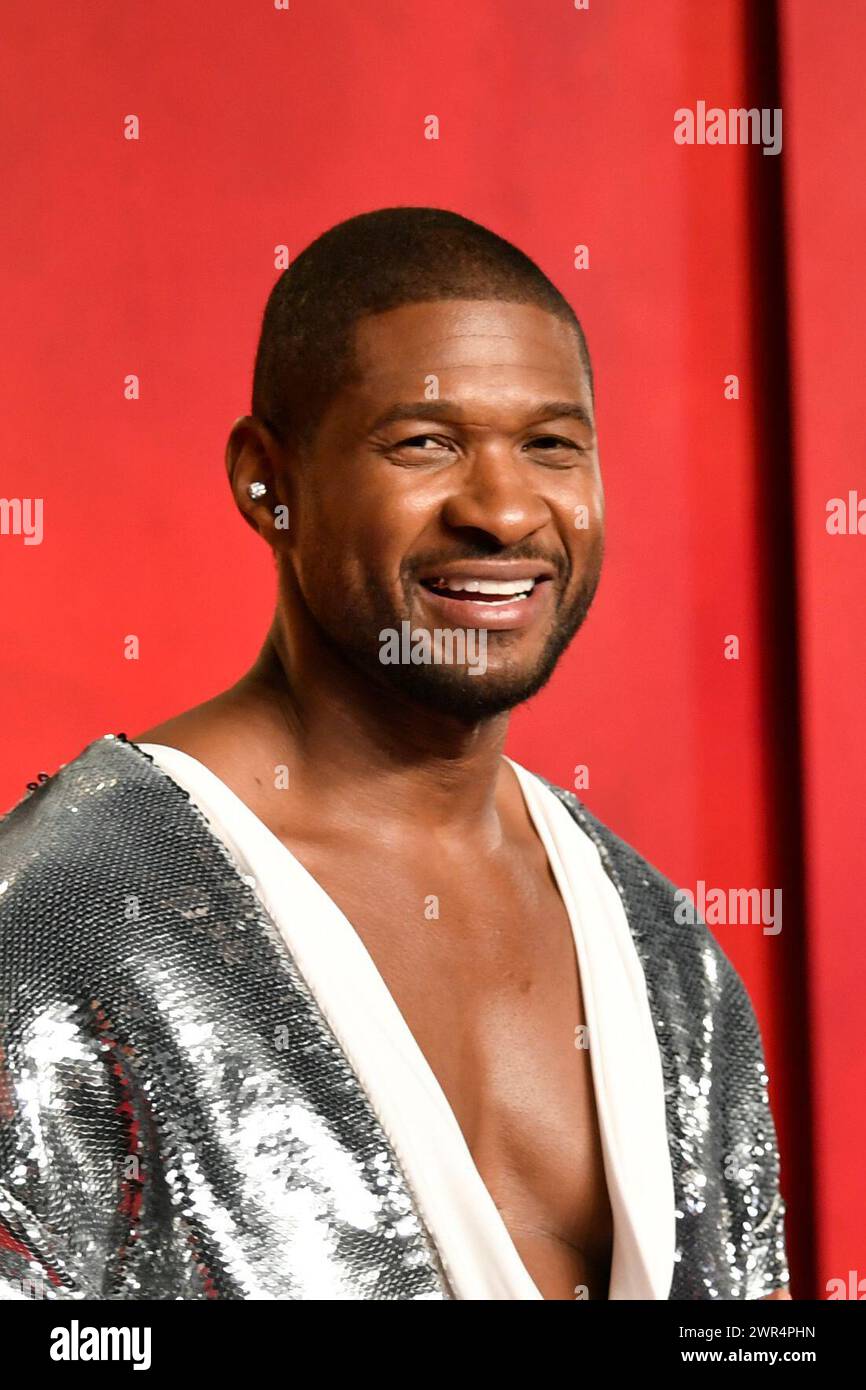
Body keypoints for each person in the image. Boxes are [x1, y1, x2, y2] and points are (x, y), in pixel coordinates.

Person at [0, 207, 790, 1301]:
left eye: (550, 444)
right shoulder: (59, 919)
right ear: (264, 481)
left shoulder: (666, 957)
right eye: (424, 442)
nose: (504, 510)